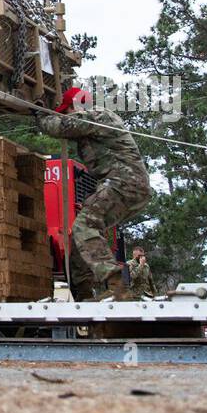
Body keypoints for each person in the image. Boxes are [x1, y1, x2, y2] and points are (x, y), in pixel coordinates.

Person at [35, 87, 150, 302]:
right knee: (79, 235)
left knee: (83, 226)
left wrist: (38, 112)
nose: (67, 115)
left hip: (122, 182)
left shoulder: (96, 115)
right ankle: (84, 292)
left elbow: (57, 126)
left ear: (76, 106)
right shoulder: (94, 119)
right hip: (126, 185)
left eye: (66, 111)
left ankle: (117, 286)